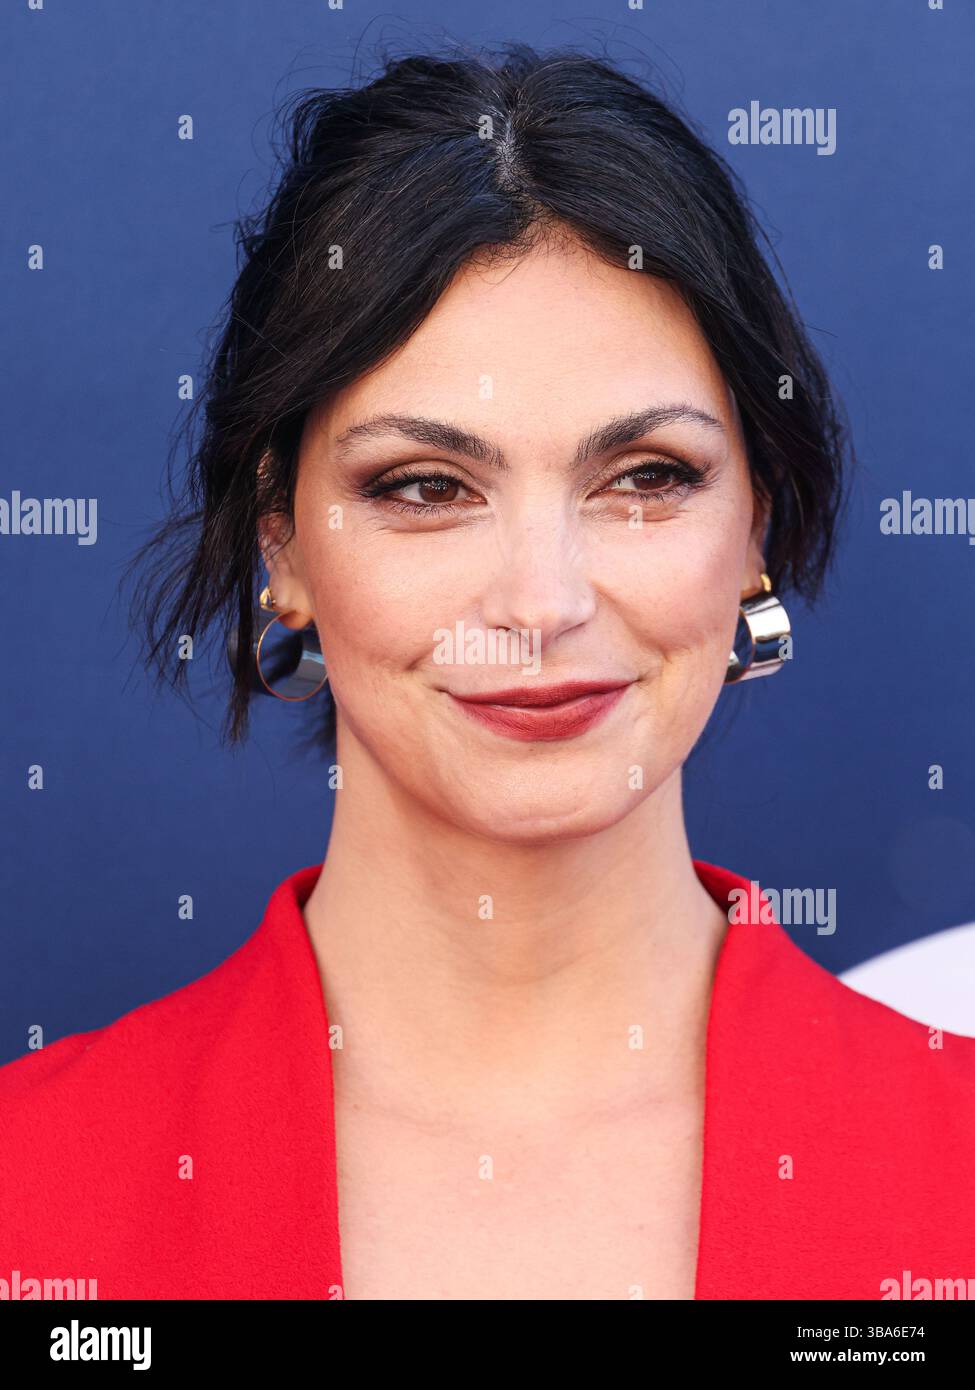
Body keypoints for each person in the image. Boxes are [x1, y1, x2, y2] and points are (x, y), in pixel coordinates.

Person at [2, 43, 973, 1302]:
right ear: (279, 543)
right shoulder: (30, 1189)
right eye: (425, 488)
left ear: (757, 530)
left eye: (644, 479)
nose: (540, 602)